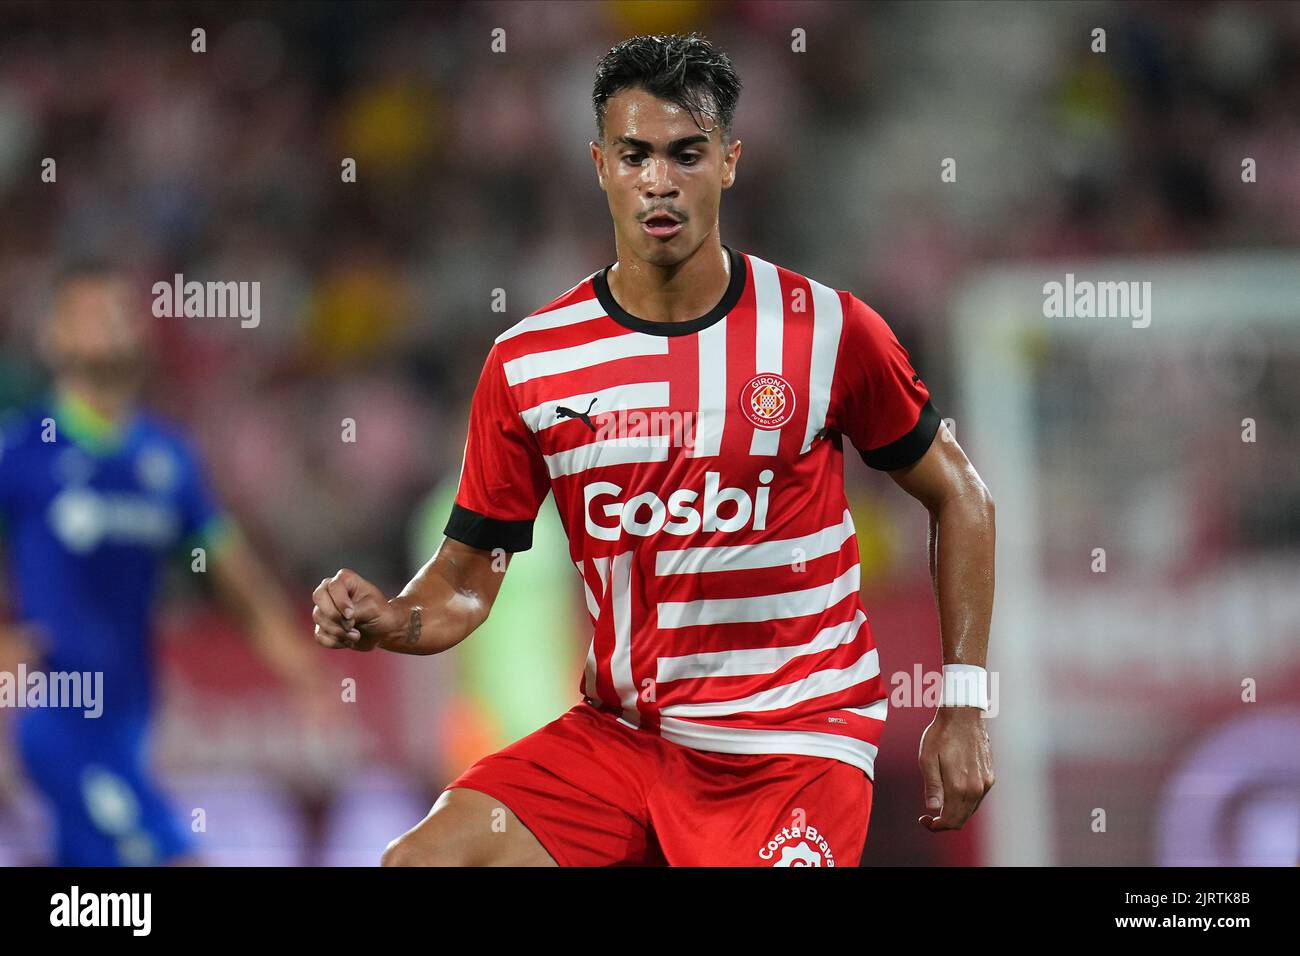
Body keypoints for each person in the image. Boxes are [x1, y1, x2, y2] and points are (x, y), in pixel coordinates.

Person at [313, 33, 996, 867]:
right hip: (622, 745)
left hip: (793, 751)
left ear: (731, 162)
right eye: (635, 155)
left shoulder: (826, 332)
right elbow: (464, 584)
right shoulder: (530, 364)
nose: (660, 181)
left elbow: (961, 495)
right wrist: (390, 618)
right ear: (600, 164)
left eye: (686, 154)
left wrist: (962, 702)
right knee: (419, 862)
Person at [0, 261, 330, 866]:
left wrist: (292, 657)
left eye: (117, 315)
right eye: (88, 316)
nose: (106, 328)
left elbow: (231, 571)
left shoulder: (167, 459)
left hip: (131, 722)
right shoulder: (22, 452)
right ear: (54, 337)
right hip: (63, 725)